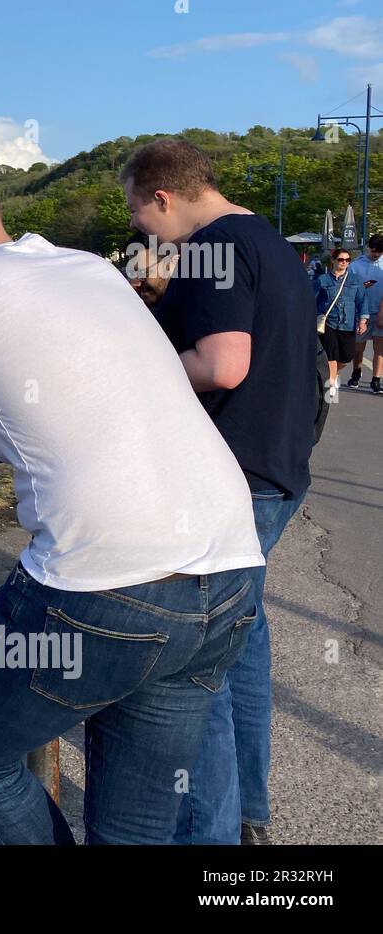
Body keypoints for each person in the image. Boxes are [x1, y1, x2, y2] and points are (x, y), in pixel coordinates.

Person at [0, 148, 265, 844]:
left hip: (110, 584)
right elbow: (25, 399)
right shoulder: (86, 269)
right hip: (229, 566)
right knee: (135, 832)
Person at [119, 138, 319, 844]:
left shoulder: (214, 245)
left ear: (162, 197)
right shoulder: (263, 238)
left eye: (137, 210)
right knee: (246, 643)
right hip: (280, 467)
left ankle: (213, 836)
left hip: (232, 479)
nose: (141, 228)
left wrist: (136, 375)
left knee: (200, 670)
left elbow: (224, 364)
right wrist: (169, 300)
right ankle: (247, 812)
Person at [314, 249, 369, 394]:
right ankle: (331, 385)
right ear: (333, 261)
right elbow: (313, 300)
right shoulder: (323, 280)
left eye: (347, 260)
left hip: (348, 324)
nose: (344, 262)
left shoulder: (355, 280)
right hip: (328, 323)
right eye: (340, 259)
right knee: (331, 354)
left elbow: (362, 301)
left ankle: (335, 374)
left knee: (346, 357)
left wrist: (362, 321)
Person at [347, 234, 383, 390]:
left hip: (381, 312)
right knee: (358, 347)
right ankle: (356, 371)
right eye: (374, 251)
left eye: (380, 252)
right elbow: (350, 286)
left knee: (379, 348)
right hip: (362, 312)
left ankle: (376, 379)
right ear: (369, 248)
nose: (376, 255)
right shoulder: (356, 265)